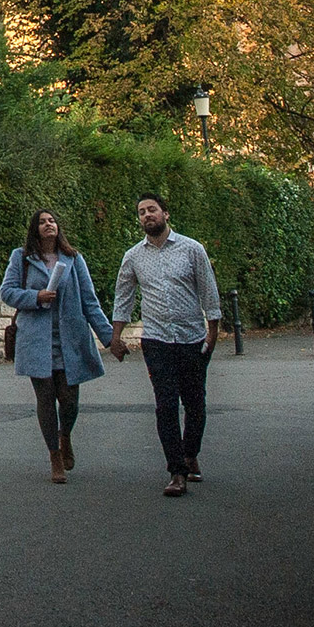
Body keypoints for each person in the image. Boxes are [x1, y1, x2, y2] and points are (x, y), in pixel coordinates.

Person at [111, 193, 221, 498]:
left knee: (195, 403)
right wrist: (116, 336)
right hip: (156, 340)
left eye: (152, 210)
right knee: (166, 405)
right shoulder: (133, 256)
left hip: (191, 338)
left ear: (166, 214)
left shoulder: (192, 249)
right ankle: (176, 471)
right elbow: (124, 297)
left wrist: (212, 333)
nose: (147, 215)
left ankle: (190, 452)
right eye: (142, 212)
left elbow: (209, 292)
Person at [0, 209, 116, 484]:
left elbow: (90, 301)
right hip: (37, 341)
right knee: (46, 400)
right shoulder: (22, 257)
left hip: (70, 340)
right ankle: (54, 455)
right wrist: (36, 296)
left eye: (51, 220)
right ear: (34, 229)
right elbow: (7, 291)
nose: (48, 224)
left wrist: (111, 338)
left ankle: (66, 436)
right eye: (42, 222)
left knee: (70, 400)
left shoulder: (73, 258)